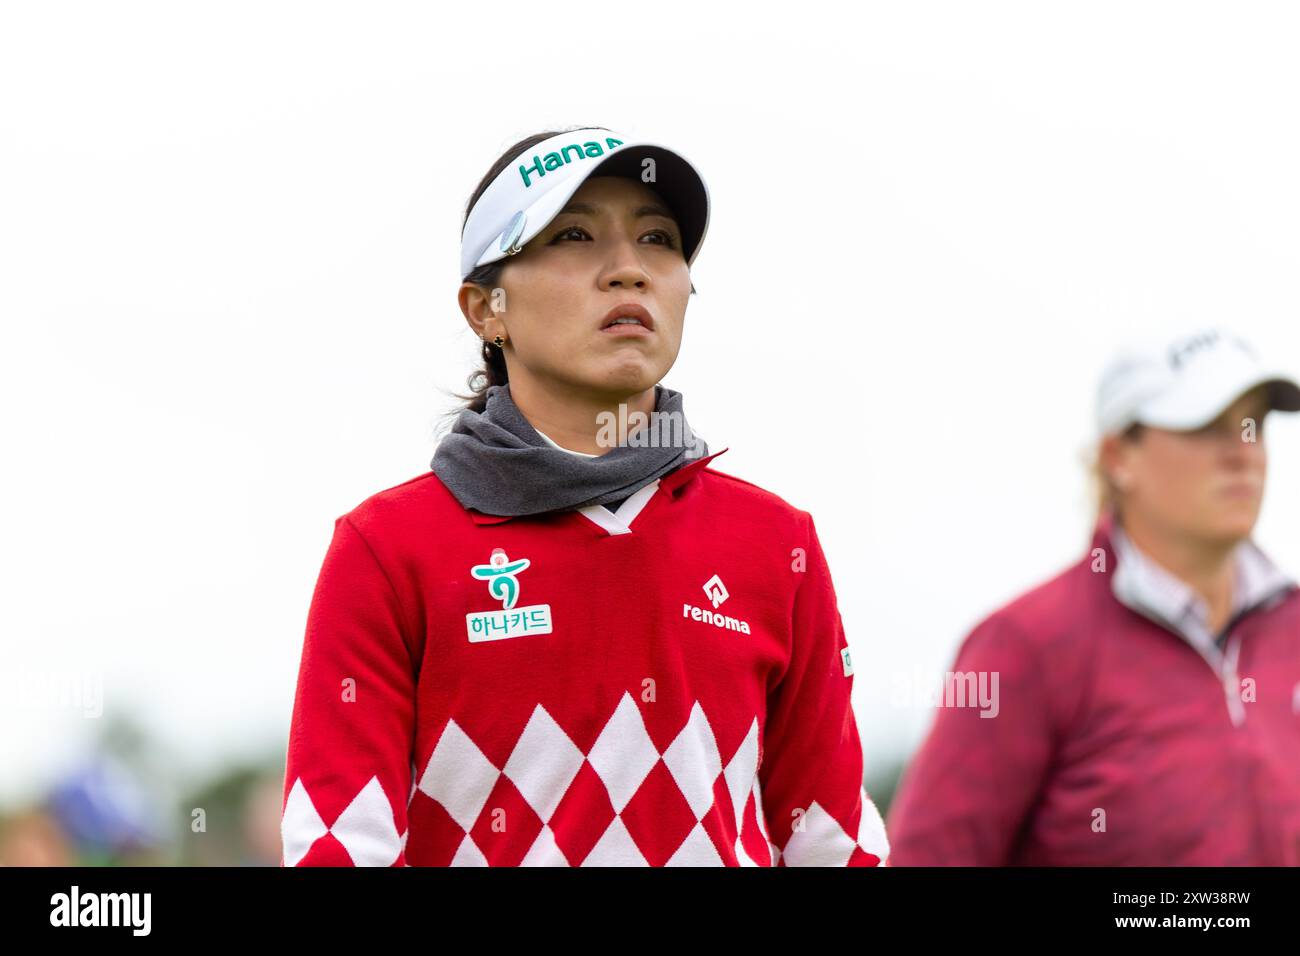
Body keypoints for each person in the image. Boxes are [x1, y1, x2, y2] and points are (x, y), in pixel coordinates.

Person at [279, 126, 890, 866]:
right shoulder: (386, 547)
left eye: (658, 239)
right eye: (573, 234)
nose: (629, 270)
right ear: (485, 308)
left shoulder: (776, 541)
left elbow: (832, 842)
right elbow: (341, 848)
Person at [886, 329, 1300, 865]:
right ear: (1118, 456)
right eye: (1205, 427)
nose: (1244, 453)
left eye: (1254, 425)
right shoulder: (1024, 644)